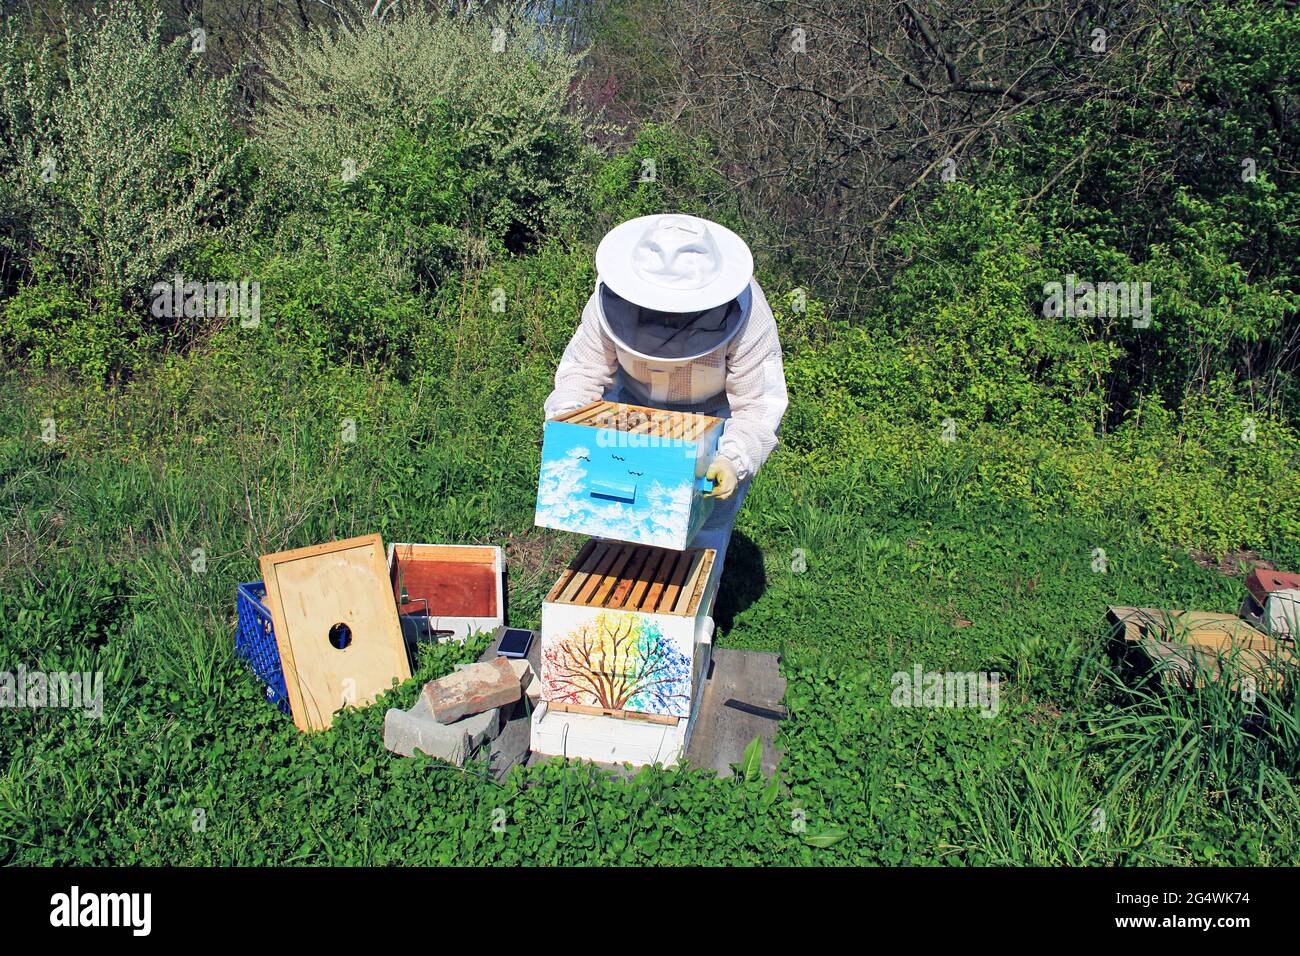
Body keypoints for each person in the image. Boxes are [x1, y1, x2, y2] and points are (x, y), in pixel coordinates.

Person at [544, 213, 788, 595]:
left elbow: (758, 404)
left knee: (704, 530)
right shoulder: (607, 303)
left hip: (712, 426)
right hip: (628, 423)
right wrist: (568, 425)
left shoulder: (749, 315)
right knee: (615, 521)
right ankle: (616, 604)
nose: (668, 322)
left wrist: (732, 459)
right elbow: (583, 371)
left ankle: (692, 618)